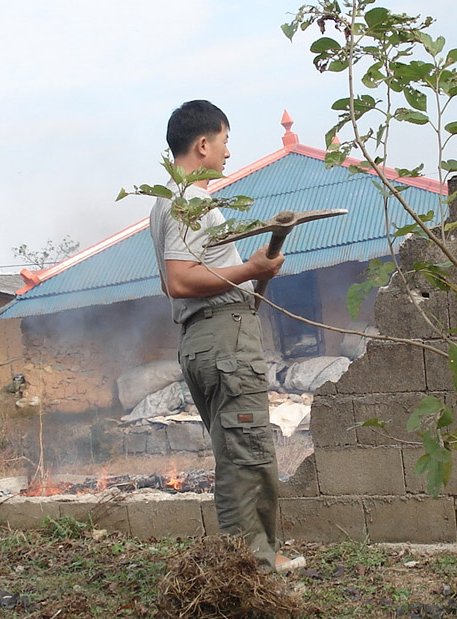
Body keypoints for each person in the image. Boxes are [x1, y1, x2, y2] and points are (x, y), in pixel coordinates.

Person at [149, 100, 296, 572]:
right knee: (246, 458)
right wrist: (252, 268)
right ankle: (251, 573)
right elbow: (181, 279)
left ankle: (260, 558)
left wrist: (254, 273)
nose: (229, 152)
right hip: (221, 338)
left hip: (212, 338)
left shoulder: (174, 199)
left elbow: (197, 271)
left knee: (241, 454)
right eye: (226, 141)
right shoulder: (187, 197)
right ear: (203, 143)